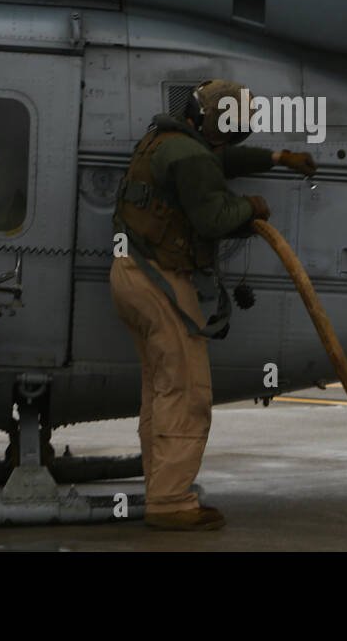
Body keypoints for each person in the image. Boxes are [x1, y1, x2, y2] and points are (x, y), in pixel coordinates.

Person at [111, 80, 316, 531]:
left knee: (162, 389)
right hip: (160, 280)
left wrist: (277, 158)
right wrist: (252, 207)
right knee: (186, 391)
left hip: (131, 275)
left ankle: (161, 488)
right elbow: (212, 218)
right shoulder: (189, 155)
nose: (229, 141)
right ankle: (170, 503)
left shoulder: (164, 140)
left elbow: (217, 162)